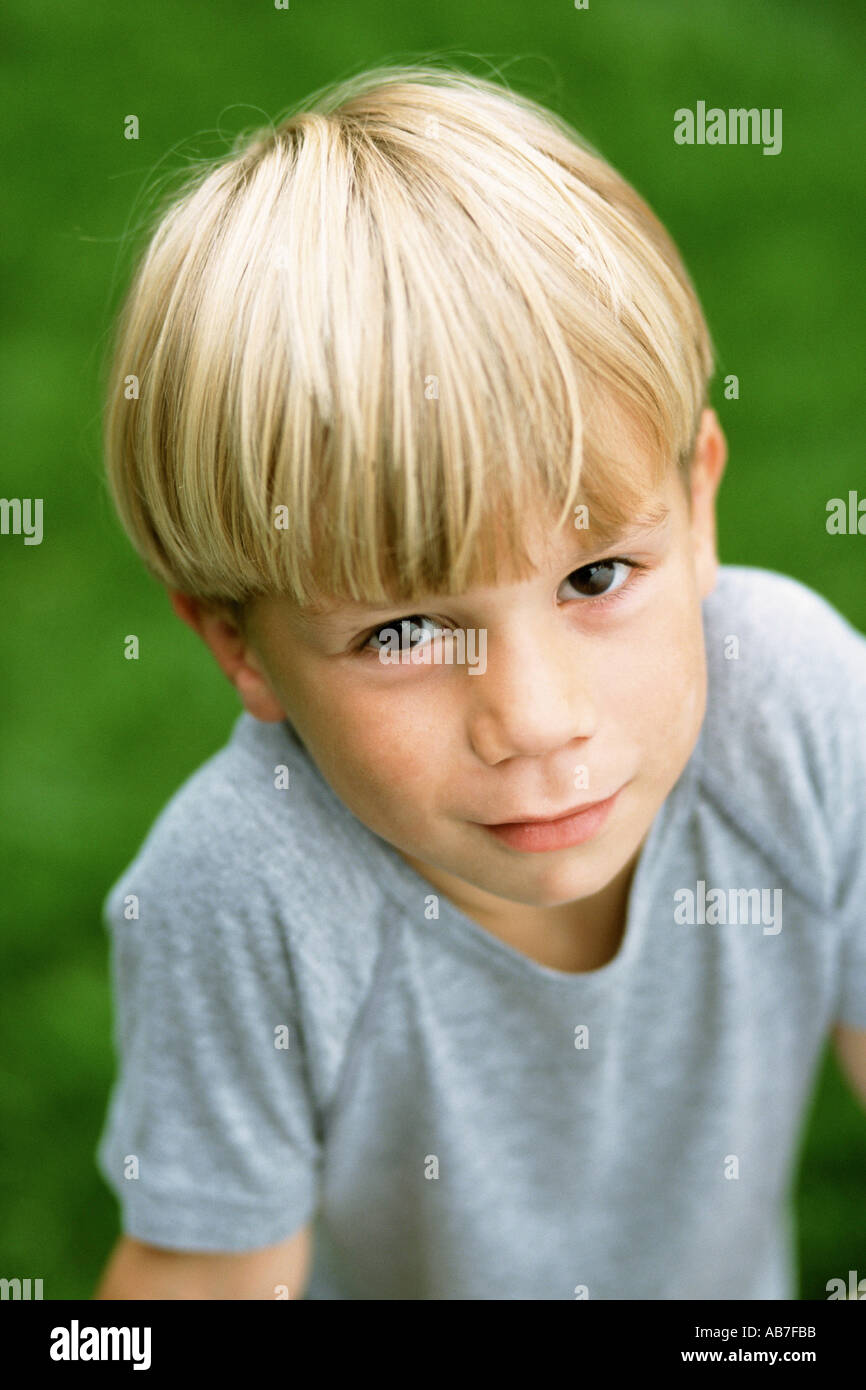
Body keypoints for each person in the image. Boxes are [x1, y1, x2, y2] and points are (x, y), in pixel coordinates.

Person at [93, 62, 866, 1300]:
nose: (537, 719)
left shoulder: (797, 706)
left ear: (698, 499)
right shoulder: (244, 886)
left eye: (597, 573)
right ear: (239, 646)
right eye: (403, 633)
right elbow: (205, 1279)